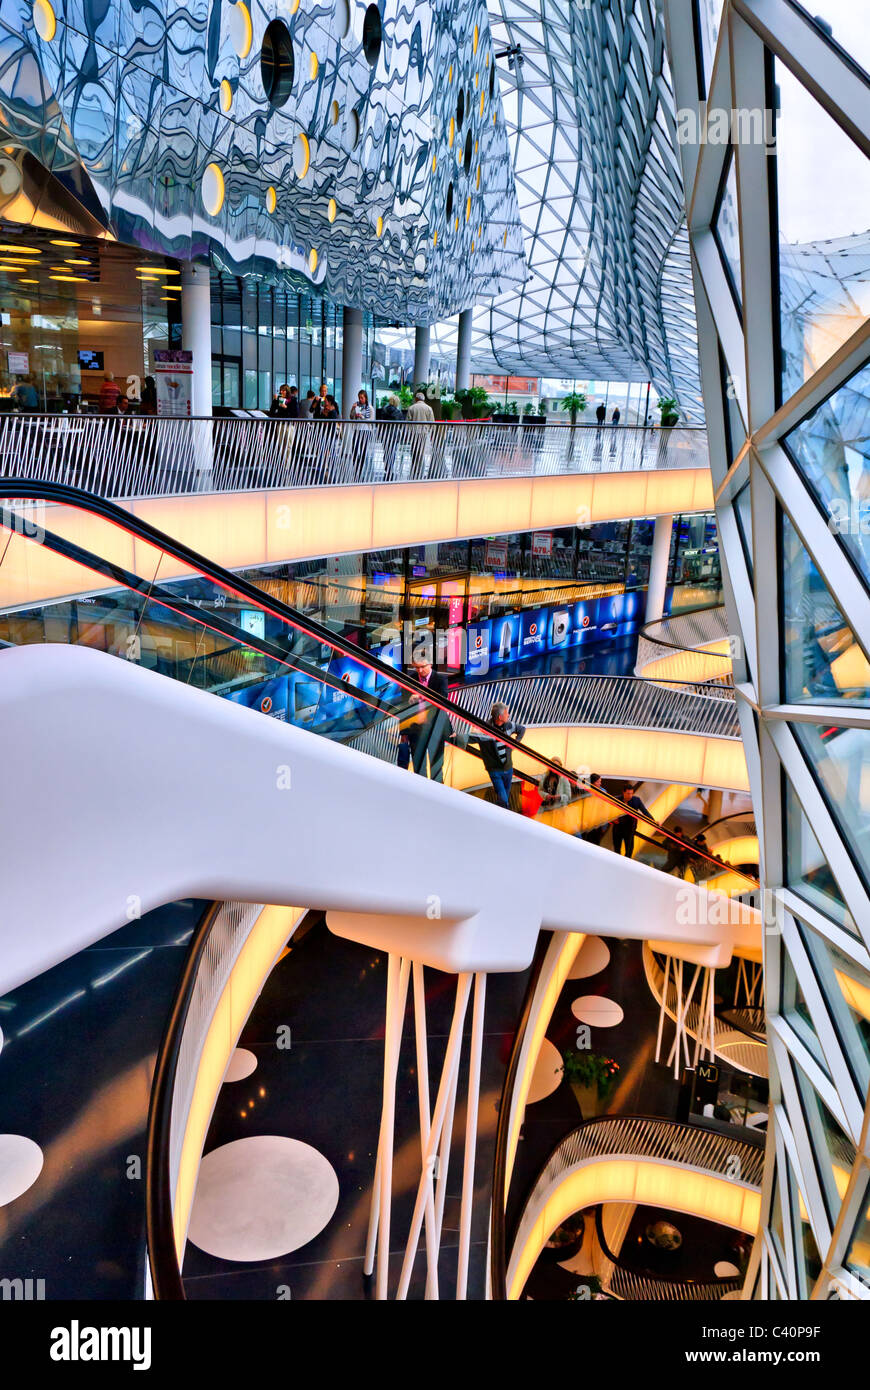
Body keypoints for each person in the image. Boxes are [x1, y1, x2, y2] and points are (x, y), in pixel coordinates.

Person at [466, 701, 526, 810]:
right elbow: (471, 737)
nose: (509, 715)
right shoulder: (485, 729)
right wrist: (457, 736)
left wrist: (514, 744)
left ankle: (499, 815)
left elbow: (522, 729)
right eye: (507, 713)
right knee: (504, 800)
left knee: (504, 798)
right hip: (495, 771)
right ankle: (504, 819)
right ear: (500, 717)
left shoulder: (509, 725)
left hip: (508, 769)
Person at [405, 656, 450, 781]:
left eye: (422, 667)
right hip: (416, 730)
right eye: (416, 667)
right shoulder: (410, 679)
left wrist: (422, 695)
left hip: (435, 728)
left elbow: (443, 700)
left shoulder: (440, 679)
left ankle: (438, 796)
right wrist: (409, 701)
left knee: (436, 766)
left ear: (430, 664)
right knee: (419, 769)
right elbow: (403, 707)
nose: (419, 671)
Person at [612, 782, 654, 858]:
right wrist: (611, 820)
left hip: (630, 829)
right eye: (628, 793)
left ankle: (625, 866)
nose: (630, 796)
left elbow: (645, 812)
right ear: (623, 792)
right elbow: (608, 811)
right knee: (617, 850)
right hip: (618, 828)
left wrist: (654, 822)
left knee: (629, 851)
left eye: (631, 793)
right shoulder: (616, 799)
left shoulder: (636, 800)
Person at [407, 389, 435, 478]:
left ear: (416, 399)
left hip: (414, 433)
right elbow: (432, 423)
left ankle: (414, 470)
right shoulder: (428, 408)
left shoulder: (411, 408)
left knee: (414, 452)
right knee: (421, 452)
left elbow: (407, 423)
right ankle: (421, 471)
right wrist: (430, 432)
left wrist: (407, 434)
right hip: (424, 433)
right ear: (423, 399)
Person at [348, 388, 375, 477]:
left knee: (363, 451)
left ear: (366, 398)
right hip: (357, 430)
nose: (360, 399)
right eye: (359, 397)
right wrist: (353, 409)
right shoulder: (357, 406)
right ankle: (355, 468)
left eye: (362, 398)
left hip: (365, 431)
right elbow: (351, 417)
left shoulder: (370, 408)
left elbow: (371, 420)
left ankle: (360, 469)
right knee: (355, 449)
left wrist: (362, 417)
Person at [379, 392, 405, 479]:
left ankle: (386, 464)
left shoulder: (384, 410)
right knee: (392, 451)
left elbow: (381, 423)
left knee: (386, 450)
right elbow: (401, 424)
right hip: (394, 435)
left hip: (385, 434)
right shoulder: (398, 412)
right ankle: (390, 467)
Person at [578, 772, 608, 844]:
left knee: (595, 843)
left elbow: (605, 809)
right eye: (598, 782)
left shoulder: (603, 792)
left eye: (600, 781)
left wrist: (604, 826)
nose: (600, 783)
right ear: (593, 782)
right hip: (586, 821)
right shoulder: (586, 790)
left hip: (597, 822)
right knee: (585, 842)